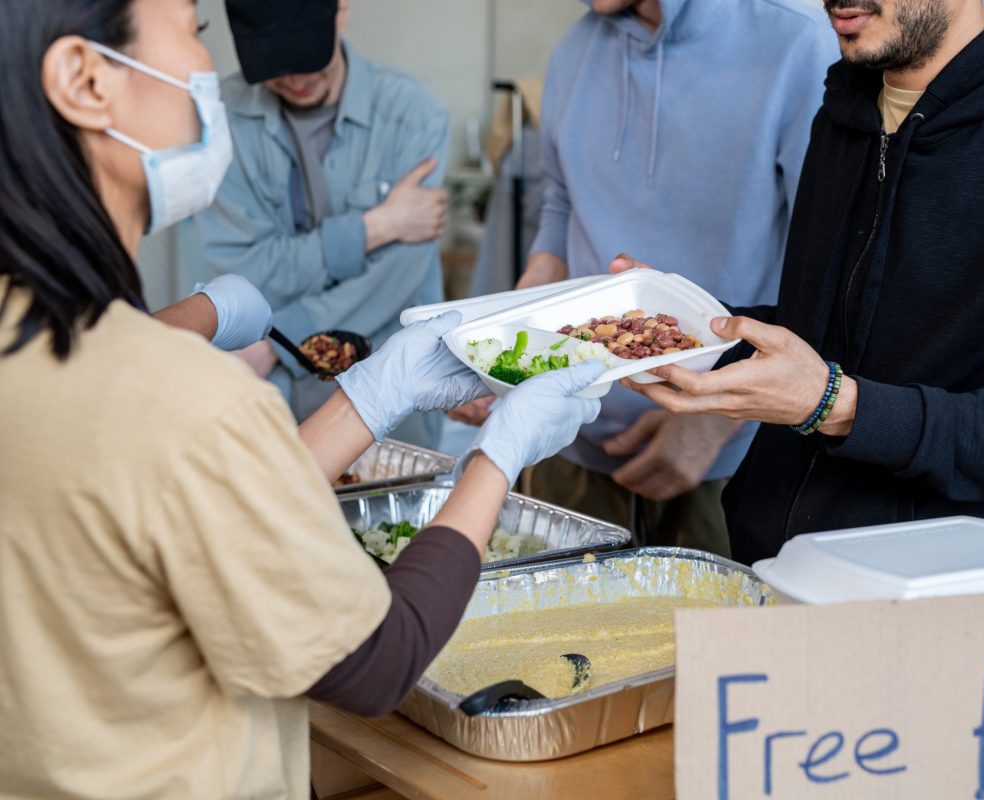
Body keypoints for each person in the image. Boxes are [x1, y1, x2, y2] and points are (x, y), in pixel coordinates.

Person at [0, 3, 602, 799]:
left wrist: (374, 389)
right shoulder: (185, 402)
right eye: (193, 30)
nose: (206, 72)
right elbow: (378, 660)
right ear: (84, 80)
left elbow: (195, 489)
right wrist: (499, 454)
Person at [613, 0, 984, 564]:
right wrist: (674, 323)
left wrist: (837, 404)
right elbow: (831, 332)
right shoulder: (847, 109)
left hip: (939, 596)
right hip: (776, 561)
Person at [455, 0, 839, 556]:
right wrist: (501, 355)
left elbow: (827, 258)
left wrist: (715, 418)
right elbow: (562, 209)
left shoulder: (797, 44)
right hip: (568, 439)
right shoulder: (574, 49)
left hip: (724, 453)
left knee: (709, 640)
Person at [195, 0, 450, 447]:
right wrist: (375, 227)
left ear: (342, 12)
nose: (294, 79)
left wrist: (281, 340)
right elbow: (250, 269)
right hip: (269, 399)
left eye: (307, 59)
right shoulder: (223, 118)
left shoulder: (412, 113)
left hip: (388, 392)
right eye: (275, 65)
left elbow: (396, 280)